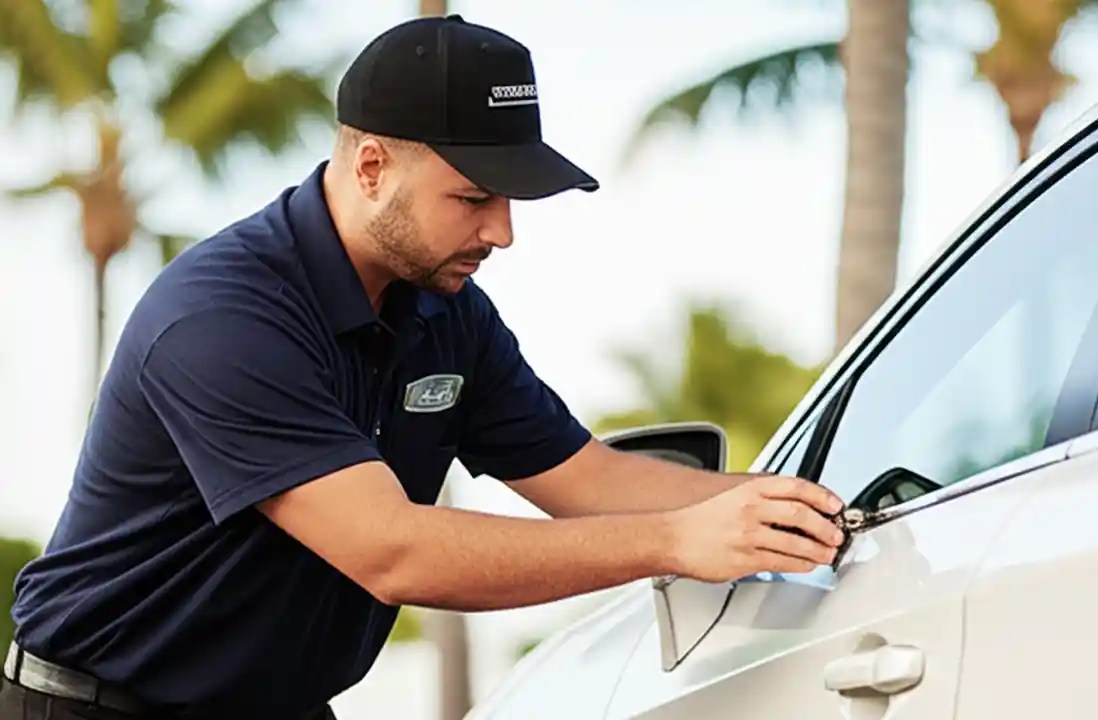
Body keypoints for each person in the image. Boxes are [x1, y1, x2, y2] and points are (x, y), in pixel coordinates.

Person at [1, 15, 845, 720]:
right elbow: (392, 552)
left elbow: (588, 479)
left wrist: (806, 509)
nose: (503, 233)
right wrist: (675, 542)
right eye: (475, 197)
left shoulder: (447, 310)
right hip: (99, 706)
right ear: (372, 167)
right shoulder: (222, 316)